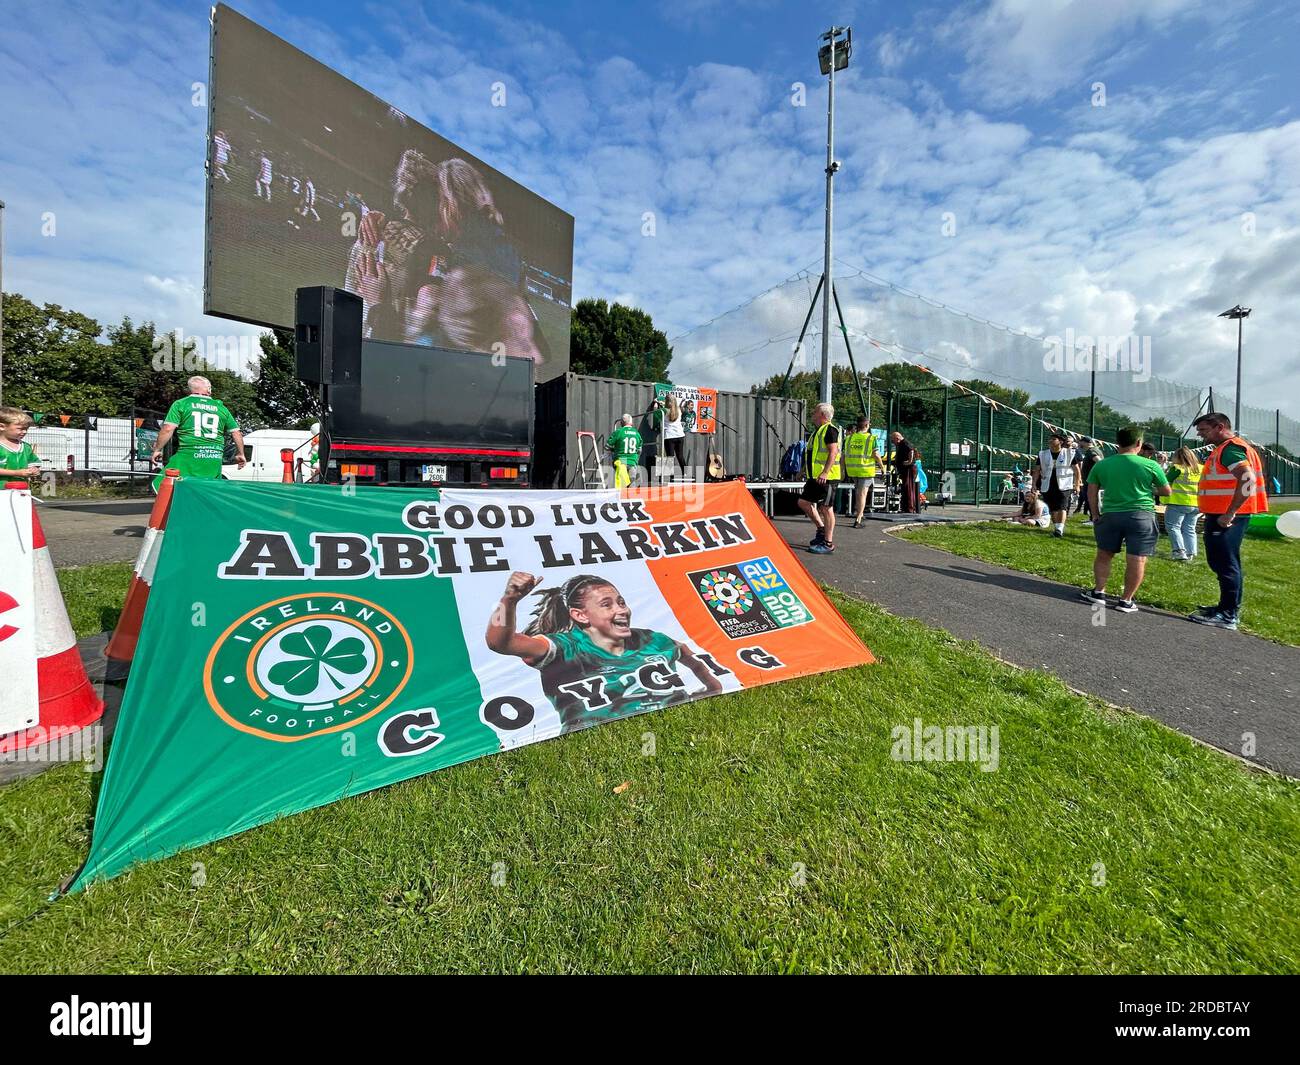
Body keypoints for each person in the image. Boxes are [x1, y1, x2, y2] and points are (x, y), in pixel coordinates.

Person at [485, 571, 723, 734]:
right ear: (580, 615)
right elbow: (500, 643)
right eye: (607, 605)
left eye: (621, 602)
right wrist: (510, 599)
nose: (622, 610)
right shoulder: (565, 647)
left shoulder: (653, 640)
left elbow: (694, 660)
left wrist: (711, 689)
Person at [1188, 412, 1269, 630]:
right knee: (1224, 562)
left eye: (1204, 430)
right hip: (1222, 514)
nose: (1201, 435)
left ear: (1220, 427)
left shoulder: (1231, 449)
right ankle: (1225, 607)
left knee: (1225, 563)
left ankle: (1228, 614)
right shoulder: (1228, 448)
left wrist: (1230, 512)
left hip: (1228, 516)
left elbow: (1247, 478)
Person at [1079, 427, 1170, 613]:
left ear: (1117, 443)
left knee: (1104, 555)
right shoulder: (1150, 465)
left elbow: (1091, 492)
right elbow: (1166, 491)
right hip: (1142, 515)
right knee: (1137, 558)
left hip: (1111, 514)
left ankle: (1099, 592)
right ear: (1138, 443)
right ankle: (1126, 600)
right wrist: (1148, 490)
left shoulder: (1102, 464)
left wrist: (1095, 514)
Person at [150, 376, 246, 491]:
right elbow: (236, 433)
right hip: (214, 459)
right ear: (209, 390)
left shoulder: (181, 404)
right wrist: (240, 454)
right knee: (207, 491)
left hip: (188, 456)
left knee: (163, 485)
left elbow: (168, 428)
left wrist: (157, 449)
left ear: (191, 389)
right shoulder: (221, 408)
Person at [798, 403, 841, 553]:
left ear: (822, 414)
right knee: (803, 502)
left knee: (826, 508)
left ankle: (828, 543)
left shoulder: (830, 430)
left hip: (827, 478)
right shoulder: (818, 432)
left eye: (815, 412)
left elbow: (833, 452)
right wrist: (803, 470)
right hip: (814, 477)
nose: (812, 414)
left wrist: (825, 472)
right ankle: (821, 529)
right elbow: (811, 455)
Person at [1037, 432, 1083, 537]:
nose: (1050, 441)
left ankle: (1059, 530)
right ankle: (1057, 527)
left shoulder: (1069, 453)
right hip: (1047, 484)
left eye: (1053, 439)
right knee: (1052, 508)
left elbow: (1077, 470)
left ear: (1060, 442)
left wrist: (1077, 484)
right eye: (1050, 439)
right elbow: (1037, 470)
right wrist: (1035, 484)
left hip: (1064, 485)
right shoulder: (1042, 454)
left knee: (1062, 506)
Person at [1164, 445, 1203, 561]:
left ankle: (1179, 551)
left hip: (1178, 502)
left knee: (1173, 527)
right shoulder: (1201, 468)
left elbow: (1164, 481)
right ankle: (1190, 553)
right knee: (1189, 528)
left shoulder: (1177, 468)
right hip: (1196, 503)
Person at [843, 415, 880, 528]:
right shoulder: (871, 438)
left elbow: (843, 456)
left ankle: (860, 513)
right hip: (865, 470)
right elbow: (876, 455)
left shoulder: (849, 438)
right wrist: (882, 467)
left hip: (853, 470)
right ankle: (858, 519)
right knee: (862, 494)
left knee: (859, 493)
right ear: (867, 425)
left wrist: (843, 470)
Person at [0, 407, 43, 483]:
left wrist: (34, 469)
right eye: (20, 428)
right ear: (2, 427)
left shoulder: (26, 447)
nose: (24, 431)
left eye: (26, 429)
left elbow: (33, 463)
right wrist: (16, 473)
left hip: (22, 490)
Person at [652, 394, 686, 477]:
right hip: (680, 435)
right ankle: (686, 474)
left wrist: (655, 402)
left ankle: (672, 477)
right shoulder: (678, 410)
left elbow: (655, 411)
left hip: (669, 436)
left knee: (670, 457)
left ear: (667, 401)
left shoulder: (664, 411)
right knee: (680, 456)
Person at [605, 414, 642, 489]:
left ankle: (621, 499)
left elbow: (607, 446)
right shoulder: (637, 433)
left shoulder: (619, 432)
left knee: (621, 485)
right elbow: (639, 450)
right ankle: (631, 499)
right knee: (632, 483)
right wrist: (636, 460)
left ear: (621, 423)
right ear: (631, 423)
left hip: (622, 460)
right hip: (632, 460)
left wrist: (614, 450)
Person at [890, 431, 918, 513]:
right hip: (904, 469)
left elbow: (911, 451)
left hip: (909, 469)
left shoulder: (905, 443)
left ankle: (910, 508)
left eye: (893, 440)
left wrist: (909, 461)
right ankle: (906, 507)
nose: (893, 442)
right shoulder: (900, 444)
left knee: (908, 488)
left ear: (897, 438)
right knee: (905, 488)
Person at [1078, 443, 1103, 524]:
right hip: (1090, 480)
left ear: (1086, 443)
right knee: (1090, 498)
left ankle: (1095, 518)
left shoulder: (1091, 451)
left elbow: (1099, 461)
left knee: (1090, 498)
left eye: (1081, 442)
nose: (1079, 444)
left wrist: (1095, 473)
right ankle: (1093, 518)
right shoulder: (1094, 450)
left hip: (1091, 480)